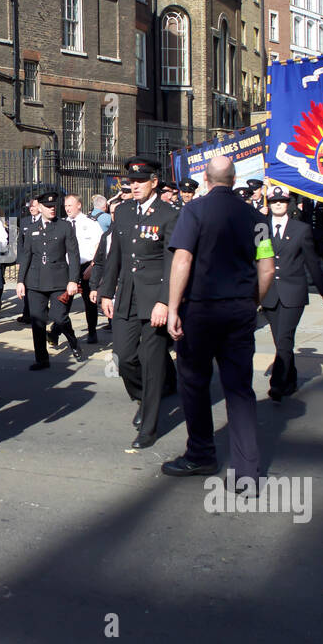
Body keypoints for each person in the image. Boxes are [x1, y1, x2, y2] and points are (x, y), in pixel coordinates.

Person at [163, 155, 275, 486]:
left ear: (207, 180)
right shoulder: (256, 218)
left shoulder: (194, 211)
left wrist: (172, 307)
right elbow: (267, 268)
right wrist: (253, 301)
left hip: (200, 309)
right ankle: (247, 471)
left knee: (195, 383)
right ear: (234, 178)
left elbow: (182, 259)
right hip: (239, 309)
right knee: (239, 389)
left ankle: (201, 454)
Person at [99, 157, 181, 449]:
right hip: (127, 297)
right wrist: (106, 292)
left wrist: (165, 302)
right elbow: (115, 256)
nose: (133, 186)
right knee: (124, 357)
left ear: (154, 182)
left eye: (139, 181)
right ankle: (143, 396)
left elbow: (174, 263)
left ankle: (149, 425)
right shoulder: (122, 212)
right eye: (130, 182)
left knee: (152, 361)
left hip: (155, 299)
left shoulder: (169, 214)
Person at [261, 186, 323, 400]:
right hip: (270, 293)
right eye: (274, 202)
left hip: (293, 291)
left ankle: (277, 384)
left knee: (284, 338)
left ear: (288, 203)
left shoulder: (301, 229)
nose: (278, 205)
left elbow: (312, 261)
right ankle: (290, 380)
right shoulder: (261, 229)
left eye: (282, 201)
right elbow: (256, 260)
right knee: (281, 341)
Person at [17, 191, 83, 370]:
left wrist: (73, 280)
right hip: (35, 281)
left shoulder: (65, 227)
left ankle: (73, 342)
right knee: (37, 322)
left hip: (59, 281)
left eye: (54, 206)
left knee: (59, 318)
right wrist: (20, 281)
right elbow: (26, 256)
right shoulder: (30, 229)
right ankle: (41, 359)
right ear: (39, 207)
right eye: (48, 206)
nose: (52, 209)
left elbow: (74, 256)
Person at [64, 194, 104, 343]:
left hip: (87, 266)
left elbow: (100, 246)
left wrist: (93, 266)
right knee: (64, 299)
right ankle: (57, 329)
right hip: (68, 268)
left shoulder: (90, 223)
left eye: (70, 205)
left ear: (79, 205)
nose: (67, 208)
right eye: (66, 205)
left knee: (89, 301)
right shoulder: (63, 224)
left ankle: (92, 331)